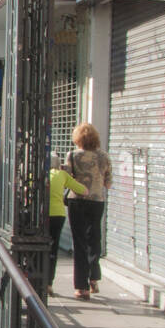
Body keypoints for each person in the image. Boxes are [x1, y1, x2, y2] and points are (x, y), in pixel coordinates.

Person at [64, 122, 113, 300]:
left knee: (79, 242)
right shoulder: (104, 157)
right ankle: (94, 277)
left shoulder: (72, 155)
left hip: (77, 201)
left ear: (77, 138)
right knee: (94, 238)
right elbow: (108, 183)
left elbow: (67, 178)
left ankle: (81, 287)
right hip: (97, 201)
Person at [48, 154, 87, 291]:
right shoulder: (62, 175)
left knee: (40, 247)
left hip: (41, 216)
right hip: (58, 215)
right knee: (53, 248)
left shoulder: (40, 174)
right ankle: (49, 283)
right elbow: (83, 190)